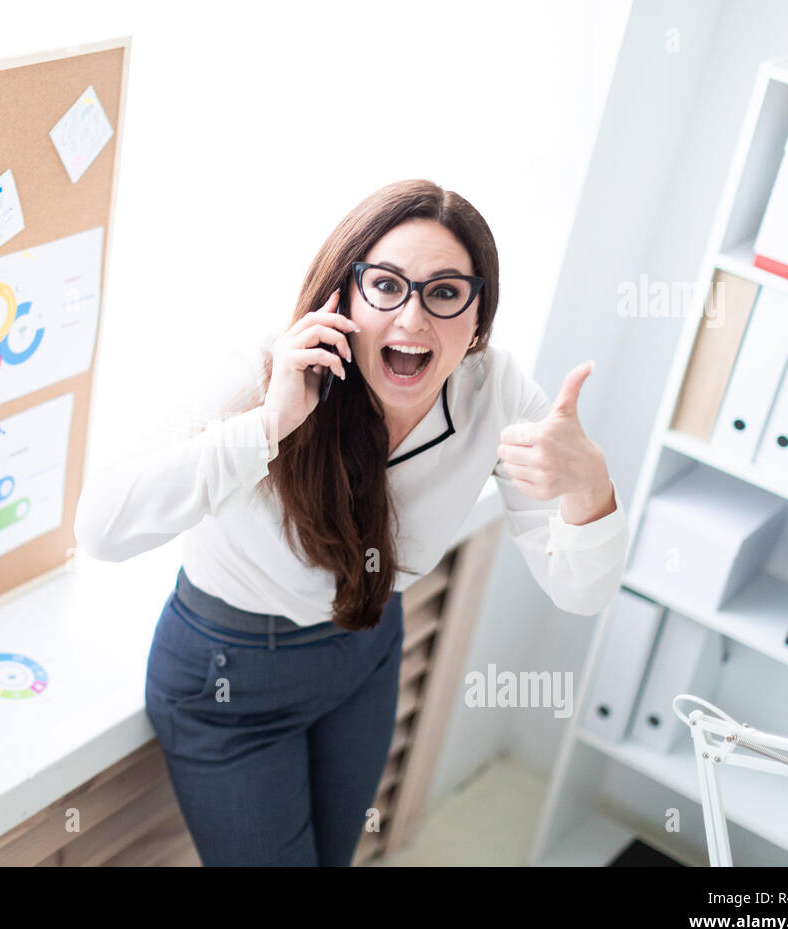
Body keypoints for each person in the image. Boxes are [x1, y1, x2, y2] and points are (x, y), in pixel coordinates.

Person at [73, 178, 628, 866]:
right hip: (229, 675)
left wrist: (590, 488)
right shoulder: (262, 372)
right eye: (386, 286)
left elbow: (583, 591)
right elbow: (100, 529)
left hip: (364, 652)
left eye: (445, 292)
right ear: (344, 294)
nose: (413, 319)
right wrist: (269, 425)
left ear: (478, 317)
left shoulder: (497, 392)